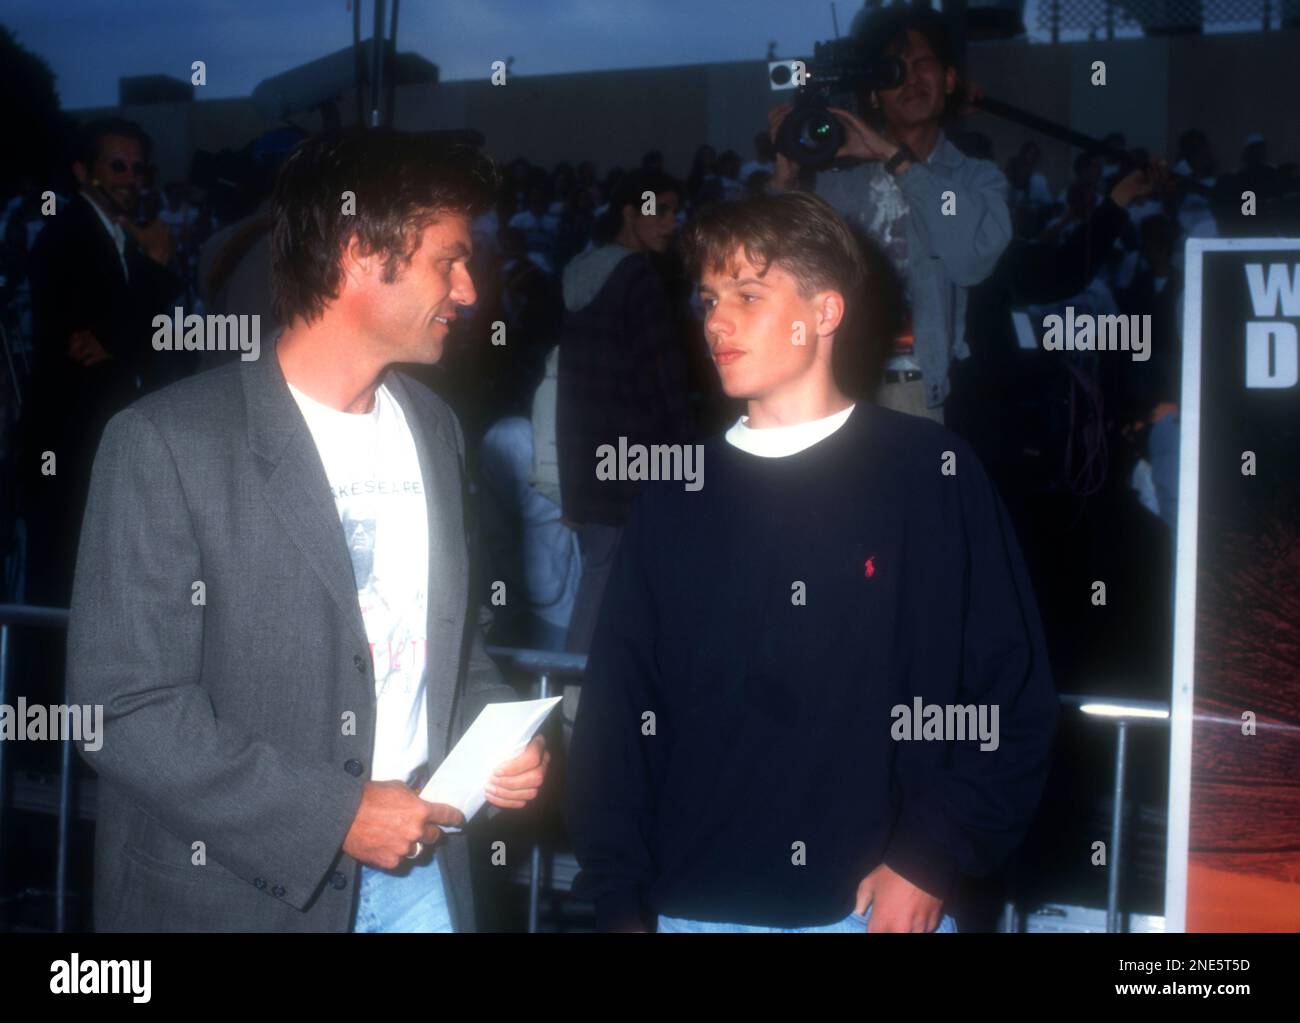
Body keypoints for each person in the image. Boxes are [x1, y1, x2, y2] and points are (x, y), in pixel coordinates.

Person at [67, 128, 549, 932]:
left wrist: (497, 733)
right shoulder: (167, 441)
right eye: (448, 260)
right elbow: (121, 708)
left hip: (423, 874)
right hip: (235, 894)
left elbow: (458, 639)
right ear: (361, 253)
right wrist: (335, 814)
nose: (468, 291)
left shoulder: (434, 426)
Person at [564, 190, 1059, 933]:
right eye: (706, 299)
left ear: (825, 313)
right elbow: (619, 713)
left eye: (748, 294)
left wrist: (933, 853)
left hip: (871, 911)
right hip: (694, 907)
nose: (716, 321)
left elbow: (1010, 696)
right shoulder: (675, 491)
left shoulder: (928, 474)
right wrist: (617, 900)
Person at [768, 4, 1011, 423]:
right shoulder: (835, 181)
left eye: (922, 64)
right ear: (873, 96)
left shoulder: (976, 179)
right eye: (891, 72)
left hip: (922, 393)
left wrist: (894, 159)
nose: (910, 79)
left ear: (950, 79)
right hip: (838, 392)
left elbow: (972, 261)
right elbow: (772, 276)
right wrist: (785, 182)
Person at [22, 117, 186, 605]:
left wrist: (124, 331)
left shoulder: (123, 240)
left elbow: (152, 336)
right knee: (62, 595)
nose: (130, 179)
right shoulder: (65, 238)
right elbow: (89, 342)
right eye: (117, 166)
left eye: (139, 169)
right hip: (69, 447)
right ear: (82, 171)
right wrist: (157, 267)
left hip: (107, 439)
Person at [556, 168, 695, 655]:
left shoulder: (579, 274)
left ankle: (577, 700)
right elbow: (667, 383)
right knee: (628, 594)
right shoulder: (638, 278)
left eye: (677, 211)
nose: (671, 222)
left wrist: (574, 490)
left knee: (601, 584)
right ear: (629, 214)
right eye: (660, 210)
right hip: (640, 471)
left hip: (593, 469)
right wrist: (689, 467)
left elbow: (568, 393)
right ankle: (579, 705)